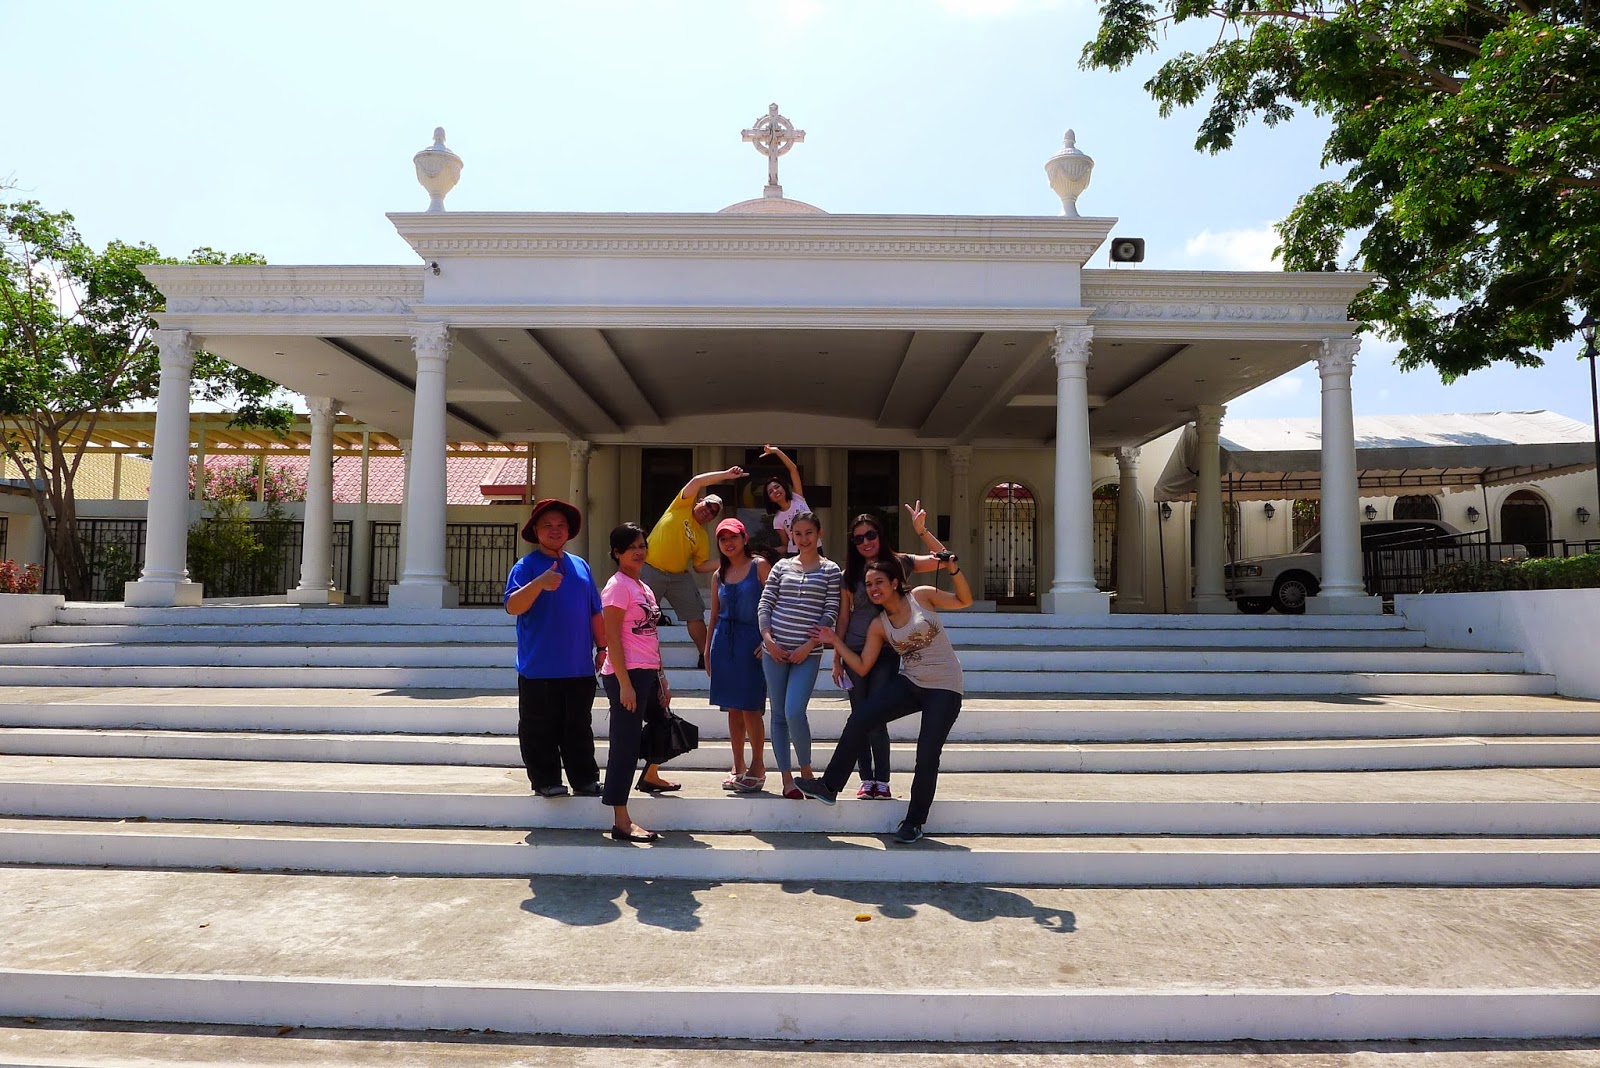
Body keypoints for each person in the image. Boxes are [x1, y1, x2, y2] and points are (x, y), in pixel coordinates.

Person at [799, 551, 973, 844]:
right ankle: (830, 786)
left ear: (894, 582)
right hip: (912, 682)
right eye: (868, 584)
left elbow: (964, 600)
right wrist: (834, 642)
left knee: (927, 755)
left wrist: (954, 569)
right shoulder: (879, 625)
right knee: (861, 718)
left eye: (879, 582)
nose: (873, 589)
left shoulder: (922, 596)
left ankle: (914, 822)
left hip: (945, 687)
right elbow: (863, 666)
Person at [837, 503, 949, 799]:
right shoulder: (849, 574)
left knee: (876, 714)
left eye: (870, 535)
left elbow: (944, 560)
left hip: (886, 651)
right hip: (854, 650)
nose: (865, 542)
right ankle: (866, 779)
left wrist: (922, 531)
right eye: (858, 538)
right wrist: (836, 657)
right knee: (859, 714)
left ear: (880, 534)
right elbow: (844, 617)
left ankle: (882, 780)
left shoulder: (899, 563)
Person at [504, 498, 605, 799]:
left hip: (578, 666)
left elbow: (595, 611)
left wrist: (603, 648)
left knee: (578, 728)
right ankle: (545, 780)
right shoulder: (525, 567)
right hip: (539, 668)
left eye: (561, 525)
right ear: (535, 530)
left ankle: (584, 779)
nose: (555, 530)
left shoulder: (581, 565)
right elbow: (512, 606)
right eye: (547, 525)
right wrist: (539, 583)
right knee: (539, 728)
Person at [598, 522, 679, 843]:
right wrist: (624, 684)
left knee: (665, 726)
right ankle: (621, 819)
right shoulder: (617, 586)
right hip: (625, 674)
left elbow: (651, 635)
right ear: (617, 553)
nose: (640, 551)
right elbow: (612, 639)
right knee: (625, 745)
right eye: (632, 547)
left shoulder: (642, 587)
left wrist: (661, 677)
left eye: (643, 545)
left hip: (647, 671)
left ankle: (650, 775)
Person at [756, 511, 841, 799]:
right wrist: (768, 640)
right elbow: (765, 604)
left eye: (809, 533)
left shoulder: (831, 570)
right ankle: (787, 780)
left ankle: (806, 773)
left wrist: (808, 646)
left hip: (809, 652)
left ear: (819, 534)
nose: (803, 538)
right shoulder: (780, 566)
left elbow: (830, 610)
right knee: (778, 715)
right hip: (774, 651)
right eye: (798, 533)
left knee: (794, 711)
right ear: (791, 535)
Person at [641, 464, 746, 666]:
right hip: (650, 569)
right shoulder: (680, 507)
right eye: (707, 505)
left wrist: (728, 560)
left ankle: (705, 656)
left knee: (695, 614)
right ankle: (639, 658)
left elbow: (700, 566)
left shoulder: (703, 537)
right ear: (699, 501)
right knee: (640, 615)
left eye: (714, 512)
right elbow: (697, 481)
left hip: (678, 576)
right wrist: (726, 475)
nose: (708, 511)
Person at [707, 517, 771, 793]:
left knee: (750, 706)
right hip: (724, 643)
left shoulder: (759, 566)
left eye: (733, 537)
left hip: (752, 642)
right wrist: (707, 651)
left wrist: (770, 639)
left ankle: (758, 765)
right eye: (722, 539)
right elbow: (712, 614)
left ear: (745, 538)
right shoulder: (718, 574)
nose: (728, 543)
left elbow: (774, 604)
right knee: (732, 707)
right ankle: (738, 765)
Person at [759, 445, 818, 556]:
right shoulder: (777, 520)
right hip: (795, 554)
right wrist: (765, 552)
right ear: (769, 499)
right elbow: (786, 545)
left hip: (815, 549)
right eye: (770, 491)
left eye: (777, 487)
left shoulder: (797, 498)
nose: (775, 491)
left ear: (784, 487)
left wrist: (776, 451)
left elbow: (793, 469)